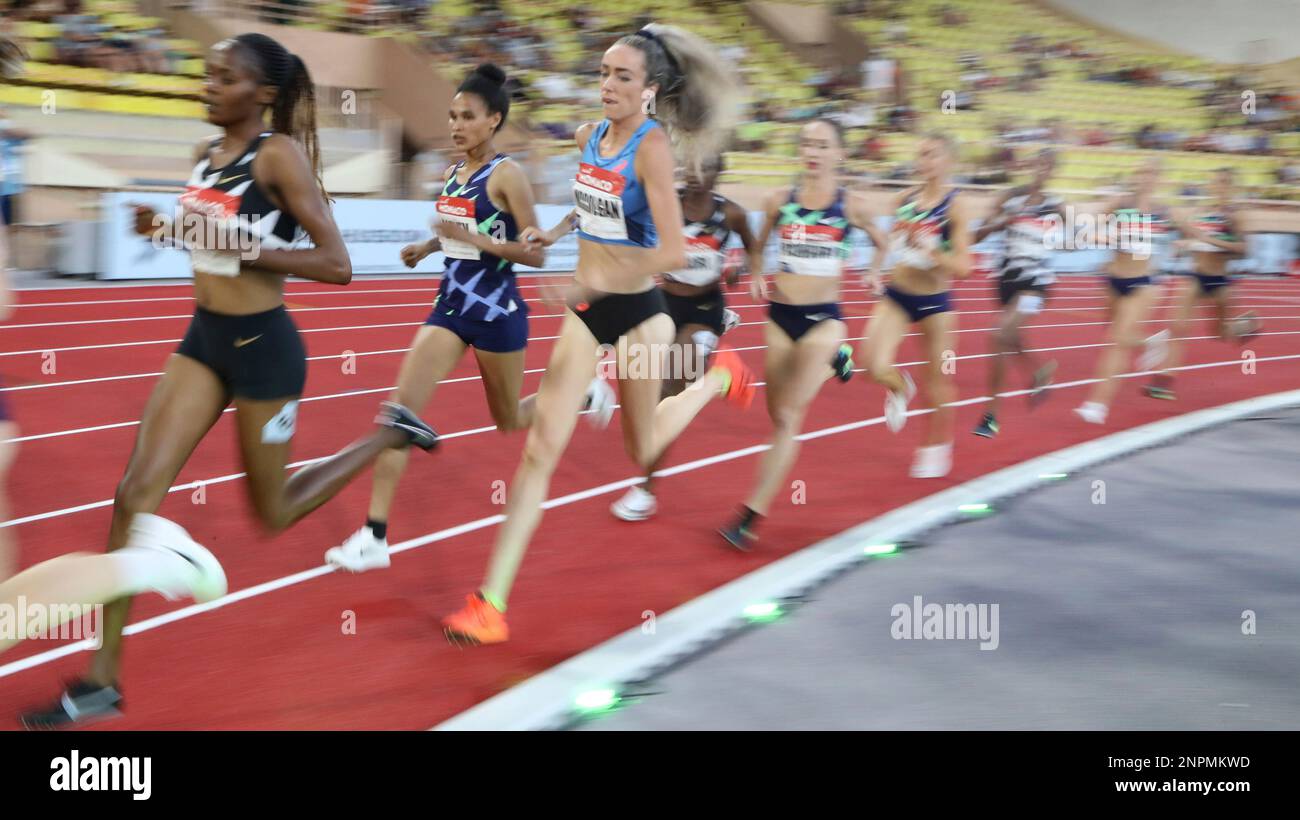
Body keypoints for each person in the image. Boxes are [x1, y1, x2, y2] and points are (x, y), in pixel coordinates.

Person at [20, 32, 438, 729]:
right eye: (207, 73)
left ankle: (385, 435)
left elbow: (337, 265)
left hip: (263, 352)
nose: (206, 84)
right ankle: (102, 680)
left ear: (263, 94)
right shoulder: (205, 156)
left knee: (271, 514)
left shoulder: (278, 155)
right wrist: (165, 229)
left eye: (224, 77)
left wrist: (241, 245)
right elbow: (206, 238)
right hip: (203, 341)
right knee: (131, 497)